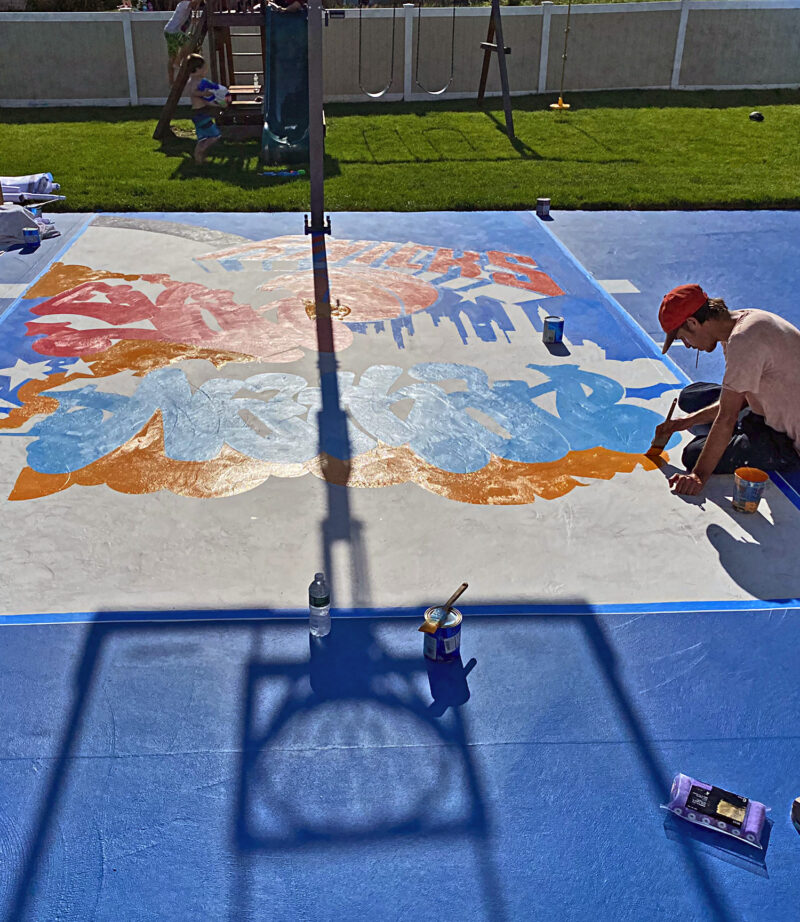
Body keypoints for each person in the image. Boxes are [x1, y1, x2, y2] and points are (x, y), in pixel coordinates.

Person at [653, 284, 800, 495]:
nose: (686, 345)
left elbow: (726, 417)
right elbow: (740, 397)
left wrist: (698, 476)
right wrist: (687, 422)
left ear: (693, 322)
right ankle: (740, 429)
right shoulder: (739, 323)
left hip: (784, 437)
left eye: (683, 338)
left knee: (693, 455)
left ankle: (761, 444)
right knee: (691, 396)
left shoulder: (743, 340)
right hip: (765, 404)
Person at [187, 54, 223, 164]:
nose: (205, 71)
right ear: (197, 69)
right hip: (200, 114)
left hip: (199, 113)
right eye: (204, 68)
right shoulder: (195, 82)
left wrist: (215, 104)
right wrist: (205, 93)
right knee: (215, 135)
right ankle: (200, 152)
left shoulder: (195, 80)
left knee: (202, 138)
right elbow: (194, 93)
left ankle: (199, 159)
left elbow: (203, 100)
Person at [164, 0, 199, 85]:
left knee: (172, 55)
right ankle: (178, 61)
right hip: (172, 31)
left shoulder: (187, 7)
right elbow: (194, 3)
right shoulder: (183, 4)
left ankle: (171, 81)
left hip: (170, 31)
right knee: (188, 42)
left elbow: (194, 7)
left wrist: (195, 18)